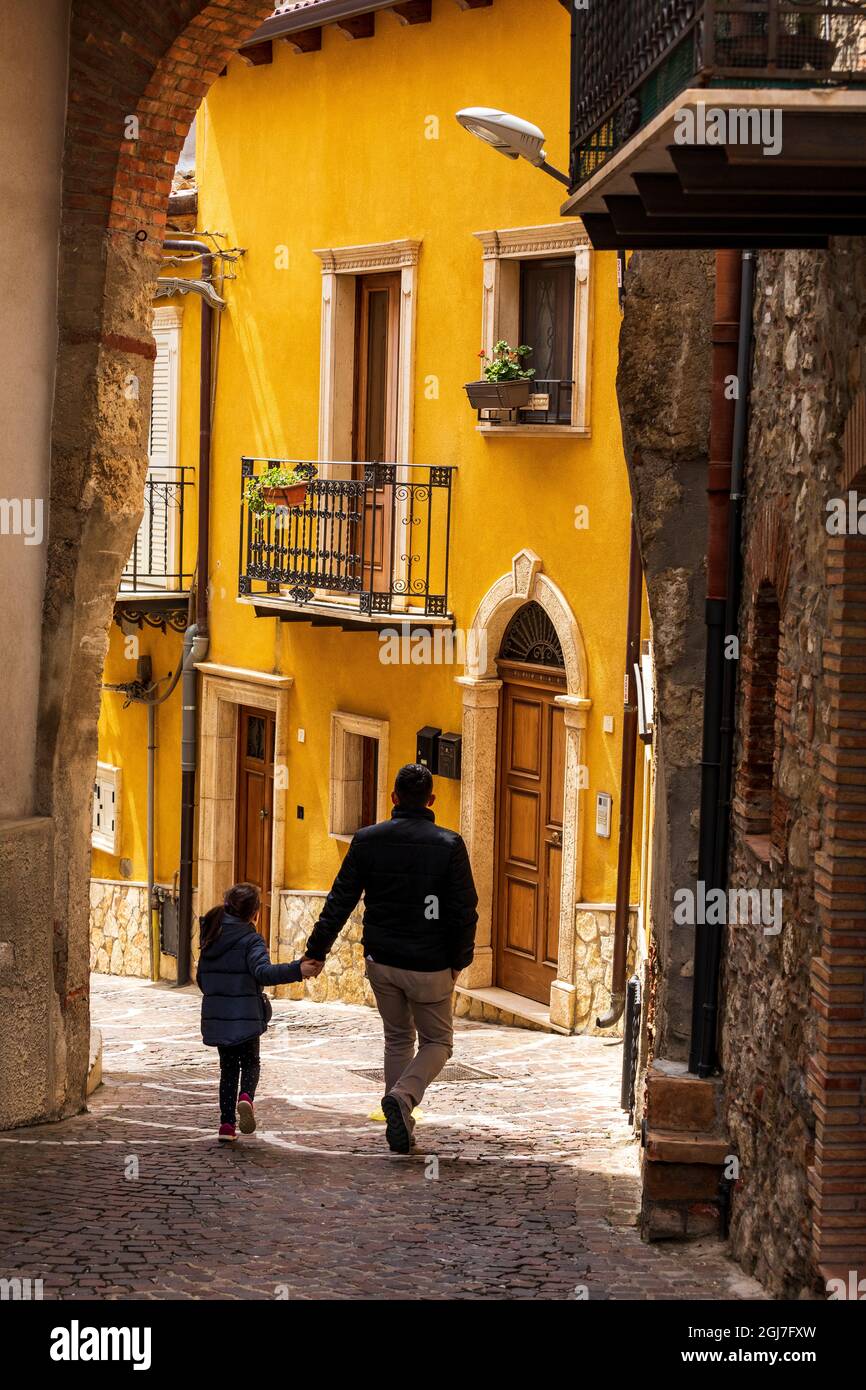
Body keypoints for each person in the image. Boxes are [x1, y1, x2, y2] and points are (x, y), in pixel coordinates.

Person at [305, 763, 478, 1155]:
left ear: (394, 798)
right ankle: (403, 1099)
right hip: (431, 963)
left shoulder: (367, 840)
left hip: (381, 960)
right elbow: (464, 910)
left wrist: (317, 951)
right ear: (431, 801)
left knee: (398, 1037)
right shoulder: (449, 845)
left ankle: (400, 1122)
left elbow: (340, 899)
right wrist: (459, 961)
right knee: (438, 1041)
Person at [197, 882, 322, 1142]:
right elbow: (263, 972)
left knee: (228, 1069)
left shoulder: (211, 934)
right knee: (251, 1062)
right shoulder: (250, 939)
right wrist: (297, 970)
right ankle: (246, 1097)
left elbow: (202, 979)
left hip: (220, 1016)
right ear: (255, 913)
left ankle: (226, 1126)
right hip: (246, 1016)